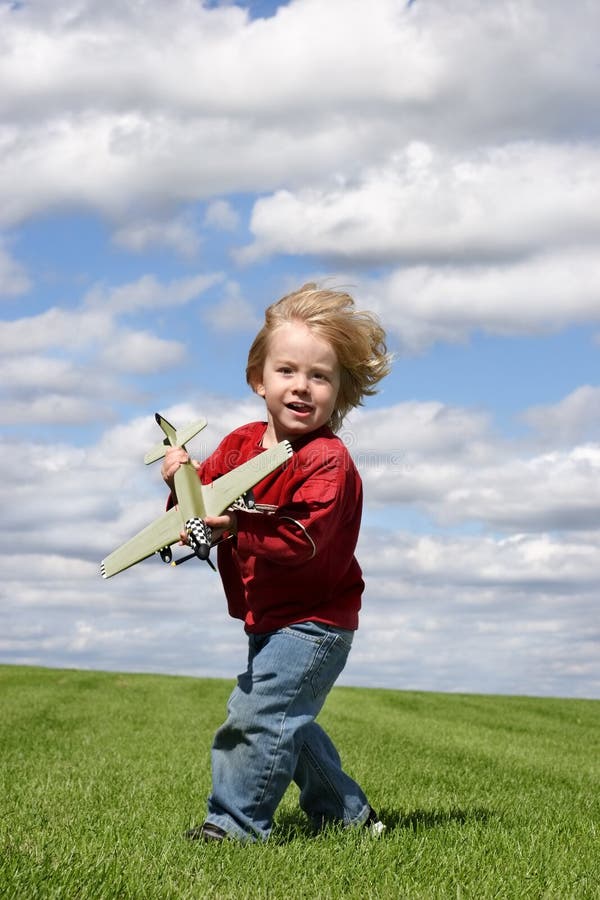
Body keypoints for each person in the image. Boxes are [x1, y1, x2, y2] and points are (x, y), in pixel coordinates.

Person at [161, 283, 391, 843]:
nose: (302, 386)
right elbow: (201, 506)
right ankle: (348, 819)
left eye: (320, 376)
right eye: (287, 370)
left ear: (341, 391)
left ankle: (233, 827)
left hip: (315, 621)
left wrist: (238, 524)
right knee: (286, 719)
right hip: (267, 616)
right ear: (258, 379)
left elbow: (303, 539)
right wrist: (179, 481)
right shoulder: (240, 444)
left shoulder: (327, 461)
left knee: (257, 715)